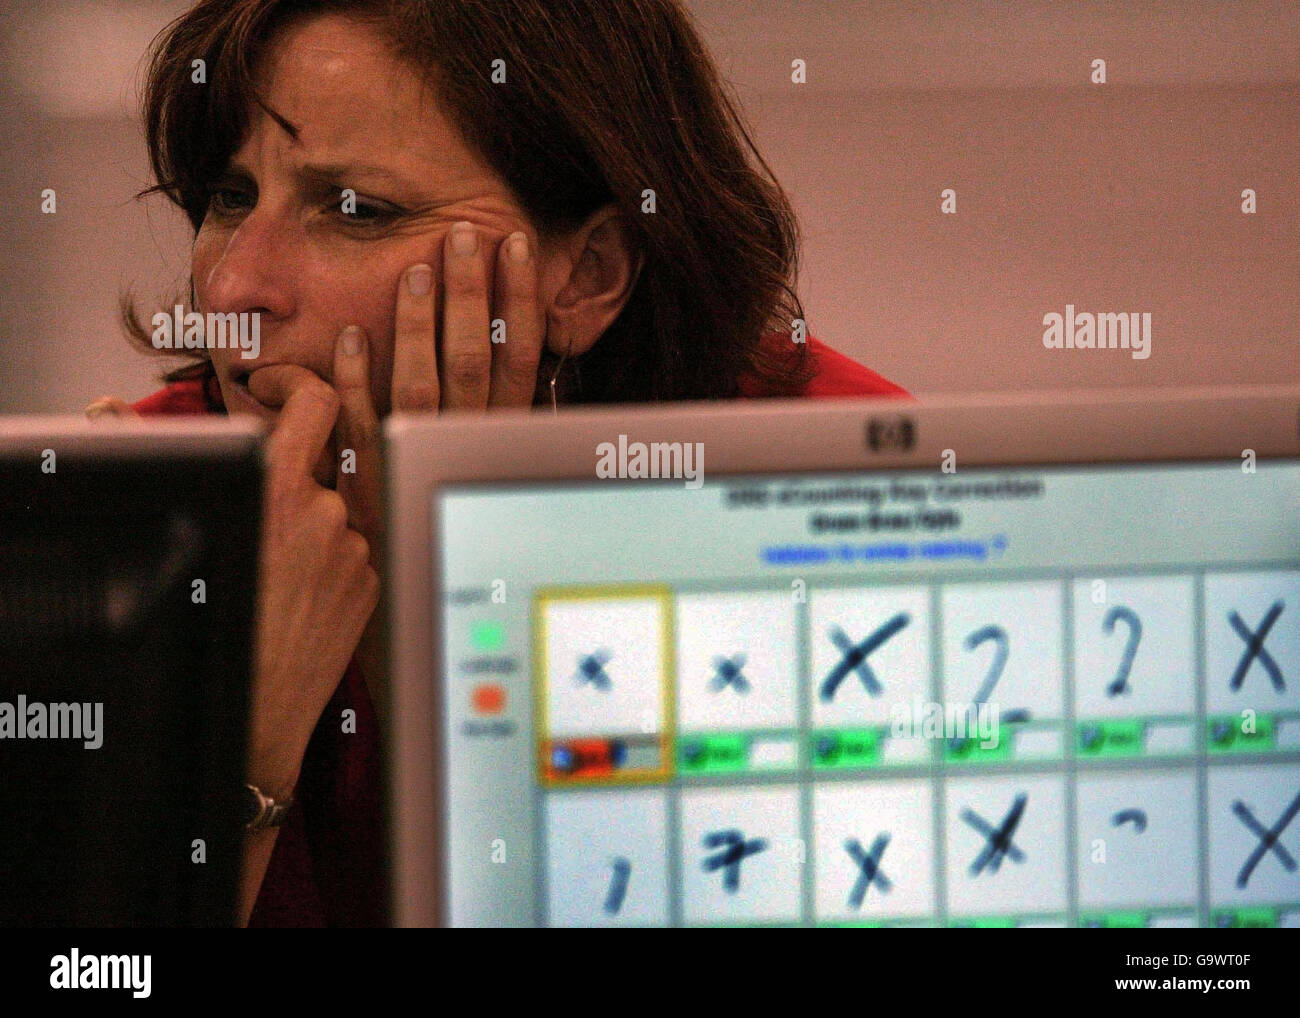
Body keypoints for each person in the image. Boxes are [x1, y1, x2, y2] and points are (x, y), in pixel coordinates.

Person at [88, 0, 907, 926]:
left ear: (587, 274)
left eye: (355, 209)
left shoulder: (831, 494)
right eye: (230, 199)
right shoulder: (149, 506)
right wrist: (238, 742)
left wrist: (440, 616)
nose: (235, 285)